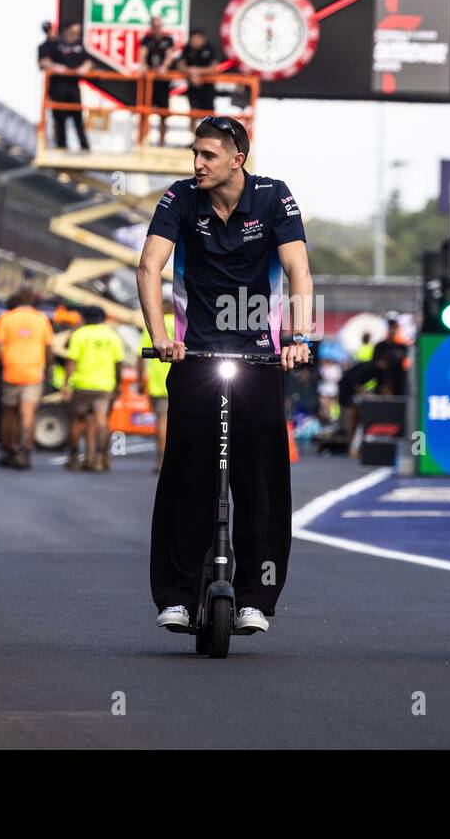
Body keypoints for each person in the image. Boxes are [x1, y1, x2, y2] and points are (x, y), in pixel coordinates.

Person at [137, 115, 312, 635]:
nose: (197, 164)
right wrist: (161, 336)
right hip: (194, 355)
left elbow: (299, 270)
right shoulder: (180, 198)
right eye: (195, 153)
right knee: (186, 472)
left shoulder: (274, 196)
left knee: (261, 477)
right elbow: (150, 267)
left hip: (260, 355)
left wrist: (300, 339)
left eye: (208, 156)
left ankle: (258, 597)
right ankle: (175, 595)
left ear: (238, 159)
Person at [0, 286, 54, 470]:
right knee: (28, 414)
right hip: (33, 373)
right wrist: (49, 367)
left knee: (8, 414)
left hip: (11, 372)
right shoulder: (41, 319)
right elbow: (49, 346)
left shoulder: (6, 318)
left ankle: (9, 450)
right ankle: (25, 450)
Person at [62, 305, 124, 472]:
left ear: (84, 318)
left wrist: (66, 383)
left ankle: (74, 458)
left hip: (82, 384)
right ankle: (99, 458)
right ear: (103, 318)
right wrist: (118, 383)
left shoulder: (79, 334)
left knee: (77, 422)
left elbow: (71, 361)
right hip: (104, 385)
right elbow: (118, 362)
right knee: (101, 421)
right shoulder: (112, 335)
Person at [38, 21, 93, 151]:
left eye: (77, 33)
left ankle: (84, 147)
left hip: (73, 86)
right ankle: (61, 146)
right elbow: (44, 61)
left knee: (77, 118)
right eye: (73, 32)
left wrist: (83, 68)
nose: (75, 35)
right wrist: (56, 67)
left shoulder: (79, 47)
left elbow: (89, 62)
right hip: (58, 86)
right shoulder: (55, 44)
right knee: (59, 118)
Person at [137, 300, 176, 473]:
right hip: (181, 378)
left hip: (159, 382)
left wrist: (140, 380)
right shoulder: (181, 323)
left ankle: (161, 460)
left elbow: (141, 355)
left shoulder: (155, 328)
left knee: (162, 421)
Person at [137, 16, 178, 145]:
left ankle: (162, 142)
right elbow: (142, 53)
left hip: (162, 81)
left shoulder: (168, 39)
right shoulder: (146, 39)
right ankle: (143, 140)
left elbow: (169, 55)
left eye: (159, 26)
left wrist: (164, 67)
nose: (157, 29)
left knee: (163, 113)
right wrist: (143, 65)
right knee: (145, 111)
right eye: (154, 26)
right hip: (150, 79)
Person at [175, 28, 219, 133]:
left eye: (197, 39)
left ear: (202, 39)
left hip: (208, 87)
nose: (194, 42)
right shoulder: (188, 48)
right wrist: (190, 72)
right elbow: (180, 65)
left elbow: (214, 68)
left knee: (209, 115)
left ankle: (210, 137)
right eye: (192, 39)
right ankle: (195, 139)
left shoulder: (210, 48)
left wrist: (197, 71)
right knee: (193, 113)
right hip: (193, 87)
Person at [372, 315, 409, 396]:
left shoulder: (401, 347)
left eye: (394, 328)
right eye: (390, 328)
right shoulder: (380, 346)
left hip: (398, 385)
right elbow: (376, 364)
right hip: (382, 384)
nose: (392, 331)